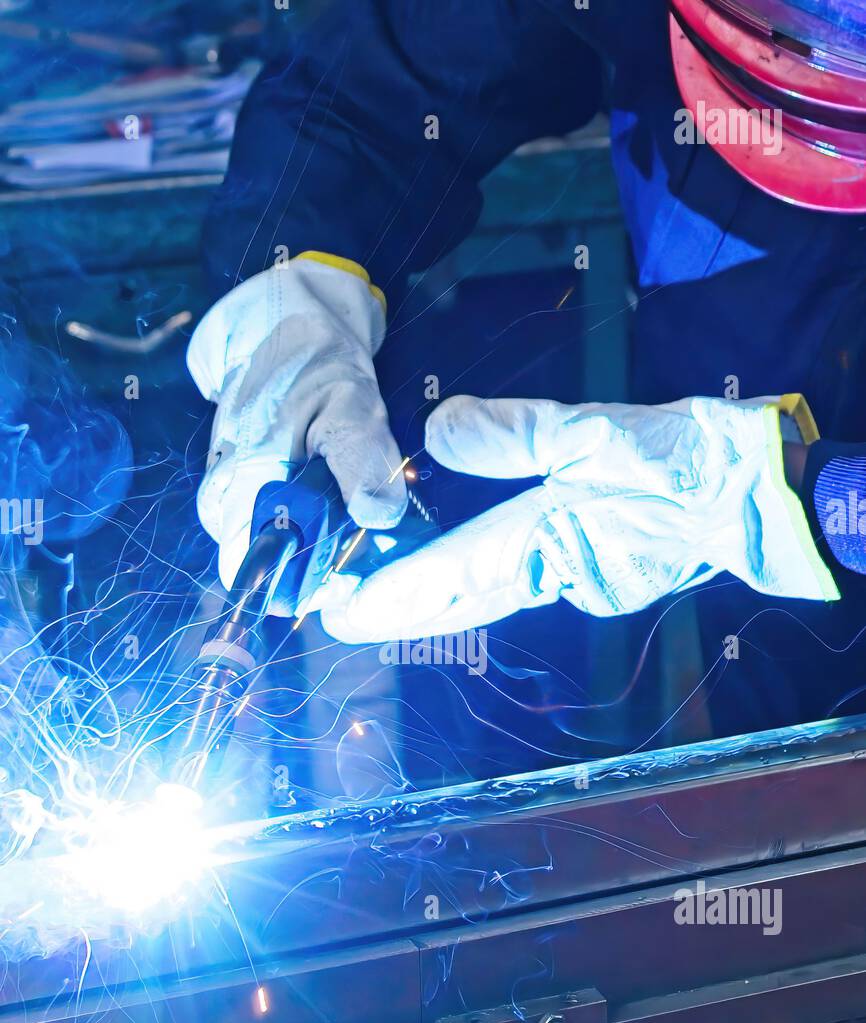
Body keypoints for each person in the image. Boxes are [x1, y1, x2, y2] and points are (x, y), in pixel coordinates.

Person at [187, 1, 866, 729]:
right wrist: (292, 307)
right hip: (740, 265)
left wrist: (803, 492)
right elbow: (384, 85)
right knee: (790, 772)